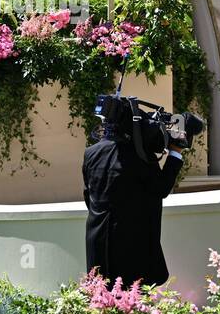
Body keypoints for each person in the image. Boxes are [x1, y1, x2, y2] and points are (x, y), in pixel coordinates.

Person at [82, 99, 191, 288]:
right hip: (130, 248)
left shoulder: (91, 153)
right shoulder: (139, 155)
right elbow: (162, 187)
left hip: (96, 242)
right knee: (132, 305)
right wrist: (176, 151)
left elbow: (88, 197)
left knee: (101, 303)